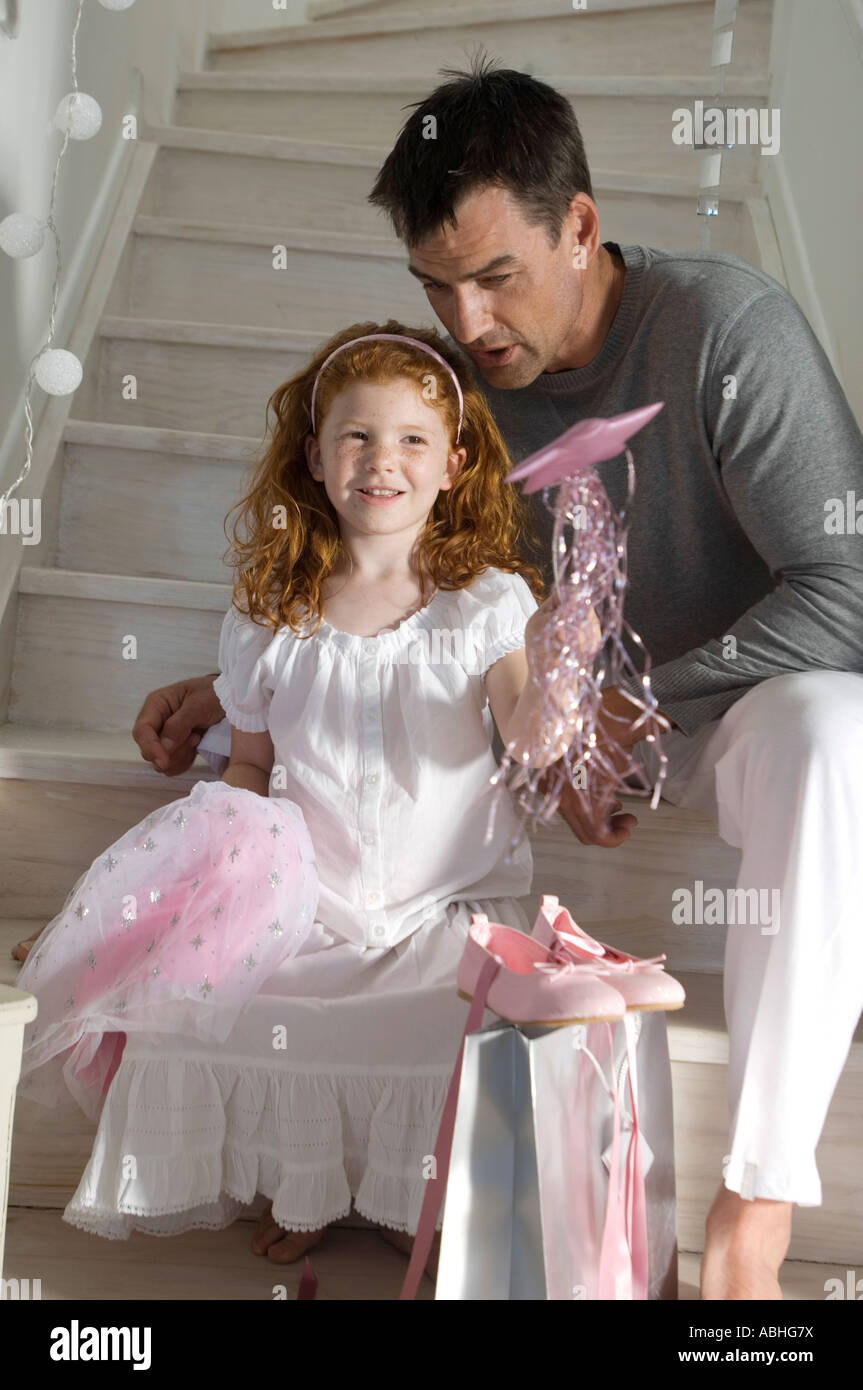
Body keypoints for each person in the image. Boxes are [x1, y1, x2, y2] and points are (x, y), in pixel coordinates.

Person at [17, 59, 863, 1298]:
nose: (465, 326)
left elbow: (842, 590)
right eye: (433, 285)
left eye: (493, 278)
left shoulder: (724, 331)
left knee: (832, 729)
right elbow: (415, 593)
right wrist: (236, 673)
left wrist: (635, 708)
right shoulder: (460, 396)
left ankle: (757, 1199)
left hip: (721, 708)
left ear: (577, 226)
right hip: (530, 729)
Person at [14, 320, 577, 1274]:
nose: (380, 460)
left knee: (451, 1022)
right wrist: (156, 908)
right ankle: (311, 1188)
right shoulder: (275, 607)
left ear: (454, 462)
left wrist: (564, 671)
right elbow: (248, 773)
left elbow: (529, 737)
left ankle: (409, 1200)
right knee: (240, 1006)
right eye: (355, 436)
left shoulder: (482, 602)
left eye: (410, 440)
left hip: (440, 904)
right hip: (310, 899)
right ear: (314, 458)